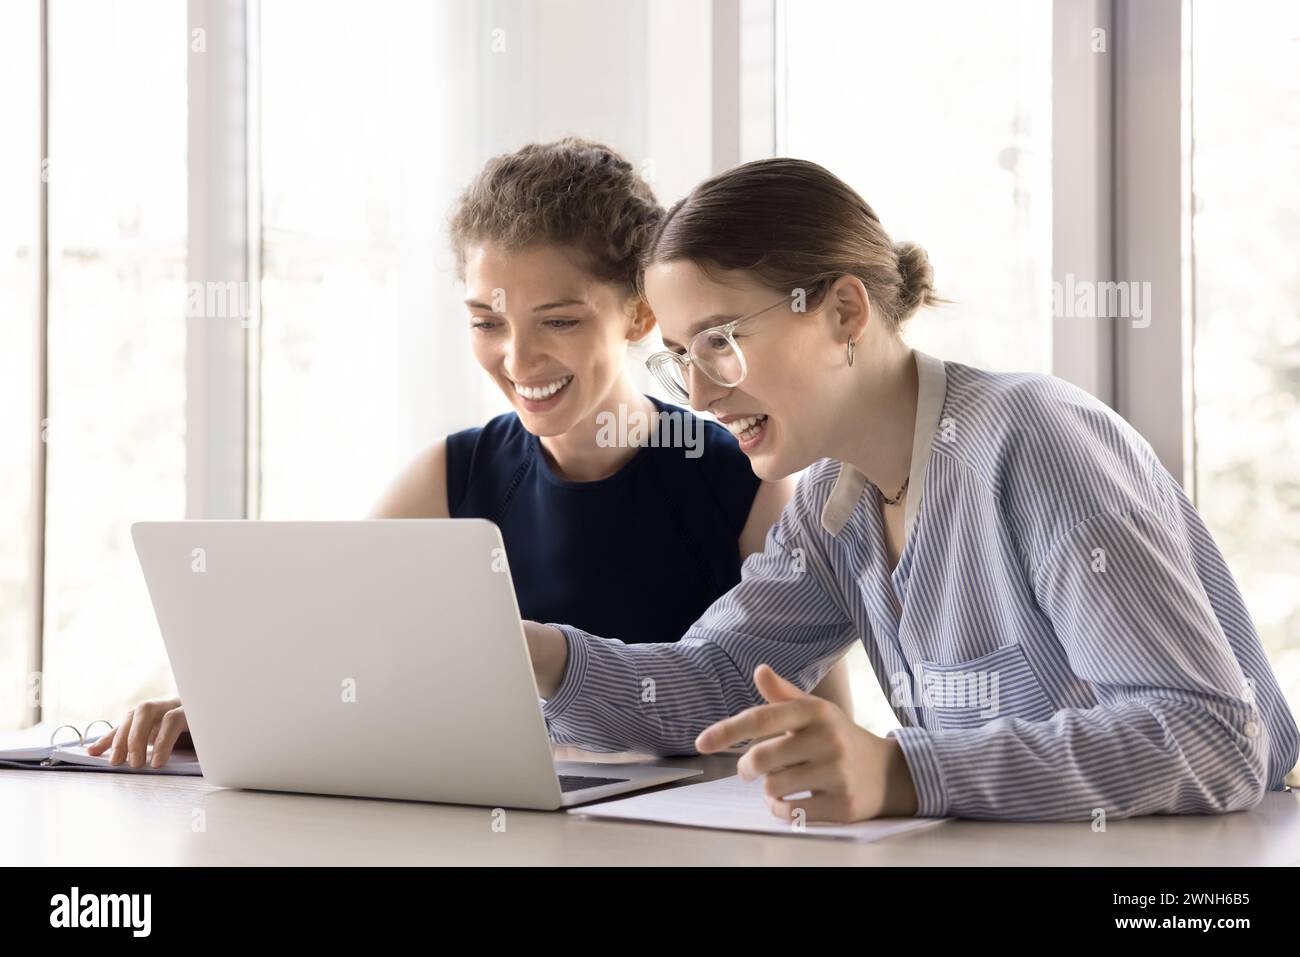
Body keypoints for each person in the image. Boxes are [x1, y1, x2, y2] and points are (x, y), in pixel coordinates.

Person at [520, 156, 1300, 823]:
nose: (698, 393)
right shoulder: (835, 507)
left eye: (721, 342)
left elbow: (1211, 735)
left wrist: (902, 773)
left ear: (844, 311)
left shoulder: (1034, 443)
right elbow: (718, 684)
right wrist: (541, 656)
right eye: (682, 356)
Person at [89, 141, 852, 770]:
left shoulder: (746, 482)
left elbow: (822, 732)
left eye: (557, 320)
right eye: (487, 320)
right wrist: (225, 707)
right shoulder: (448, 479)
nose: (519, 357)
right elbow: (331, 656)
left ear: (640, 313)